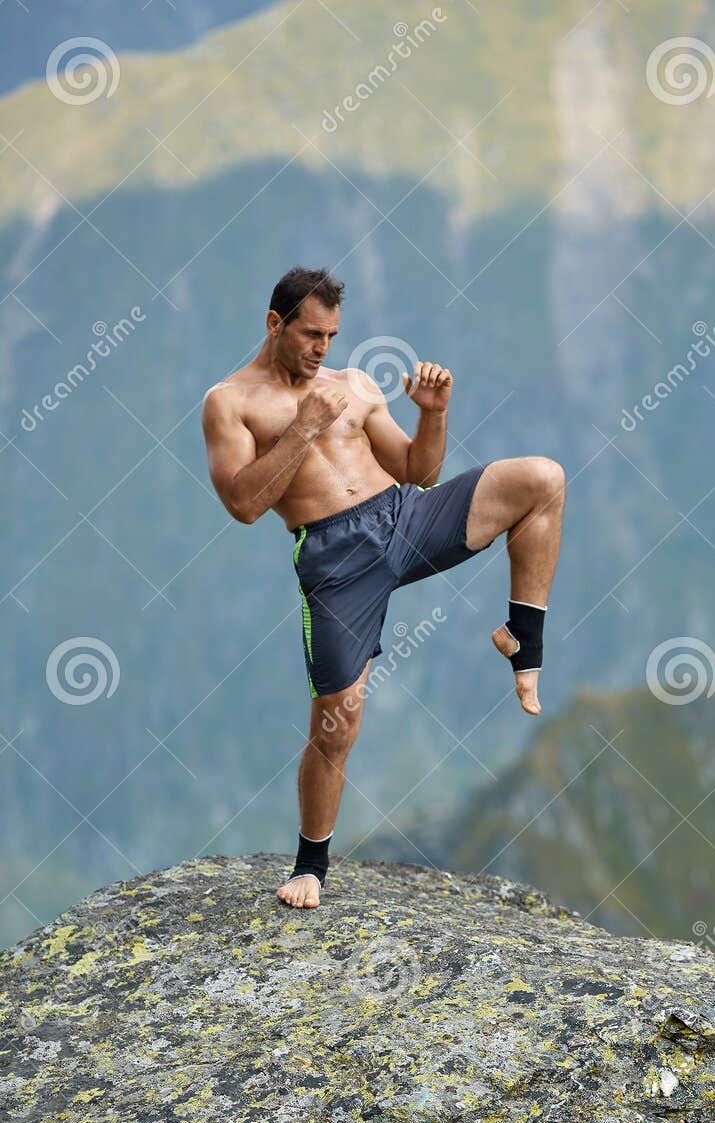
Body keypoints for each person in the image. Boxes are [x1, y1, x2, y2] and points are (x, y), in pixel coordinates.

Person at [202, 266, 566, 909]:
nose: (322, 348)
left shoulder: (354, 385)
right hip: (335, 561)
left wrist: (434, 415)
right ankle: (310, 867)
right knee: (337, 725)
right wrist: (304, 428)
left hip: (404, 518)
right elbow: (243, 503)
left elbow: (418, 470)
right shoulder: (230, 403)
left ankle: (522, 638)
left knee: (541, 479)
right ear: (274, 324)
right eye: (311, 334)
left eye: (332, 335)